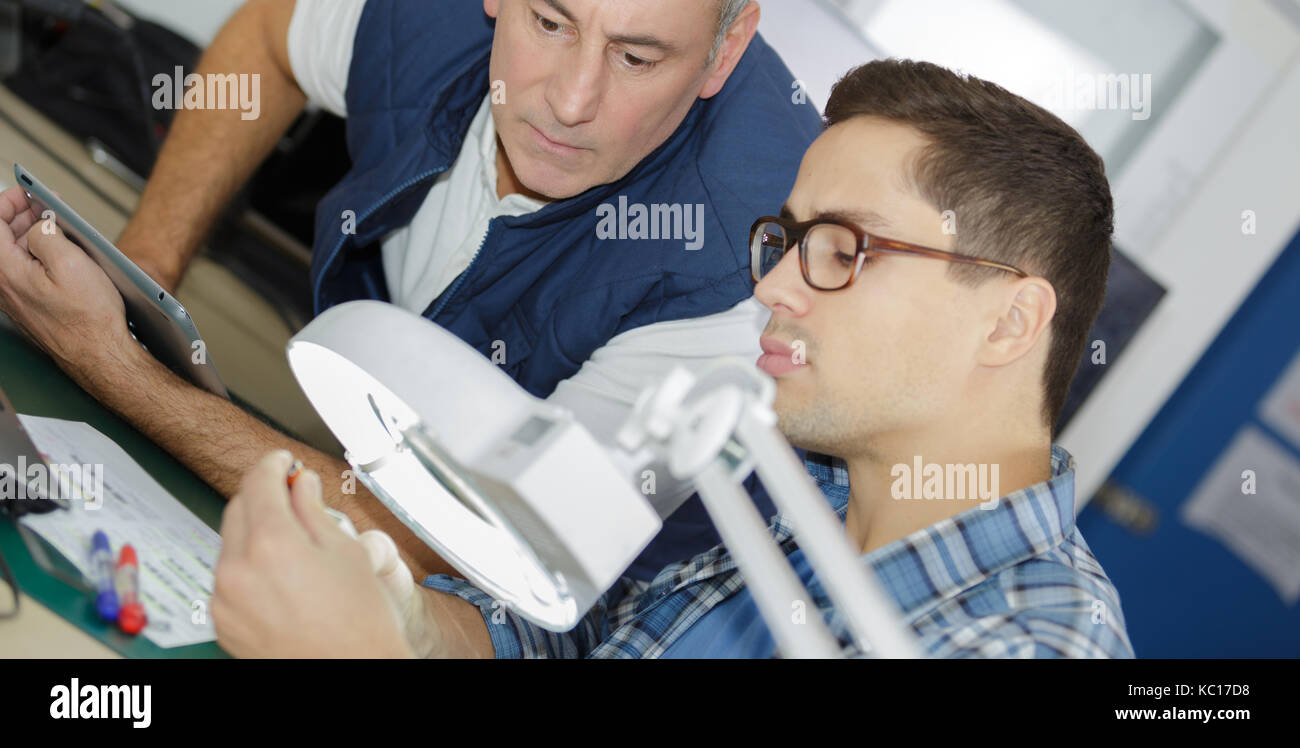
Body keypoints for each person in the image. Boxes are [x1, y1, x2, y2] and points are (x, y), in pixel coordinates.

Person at [0, 0, 822, 579]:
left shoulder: (736, 279)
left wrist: (114, 364)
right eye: (549, 21)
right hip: (383, 434)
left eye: (637, 59)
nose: (570, 101)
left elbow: (468, 549)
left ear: (723, 52)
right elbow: (268, 35)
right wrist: (139, 281)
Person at [210, 59, 1135, 658]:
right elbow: (589, 640)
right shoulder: (807, 507)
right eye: (788, 237)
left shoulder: (1035, 644)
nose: (774, 287)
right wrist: (409, 630)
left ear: (1010, 324)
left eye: (847, 248)